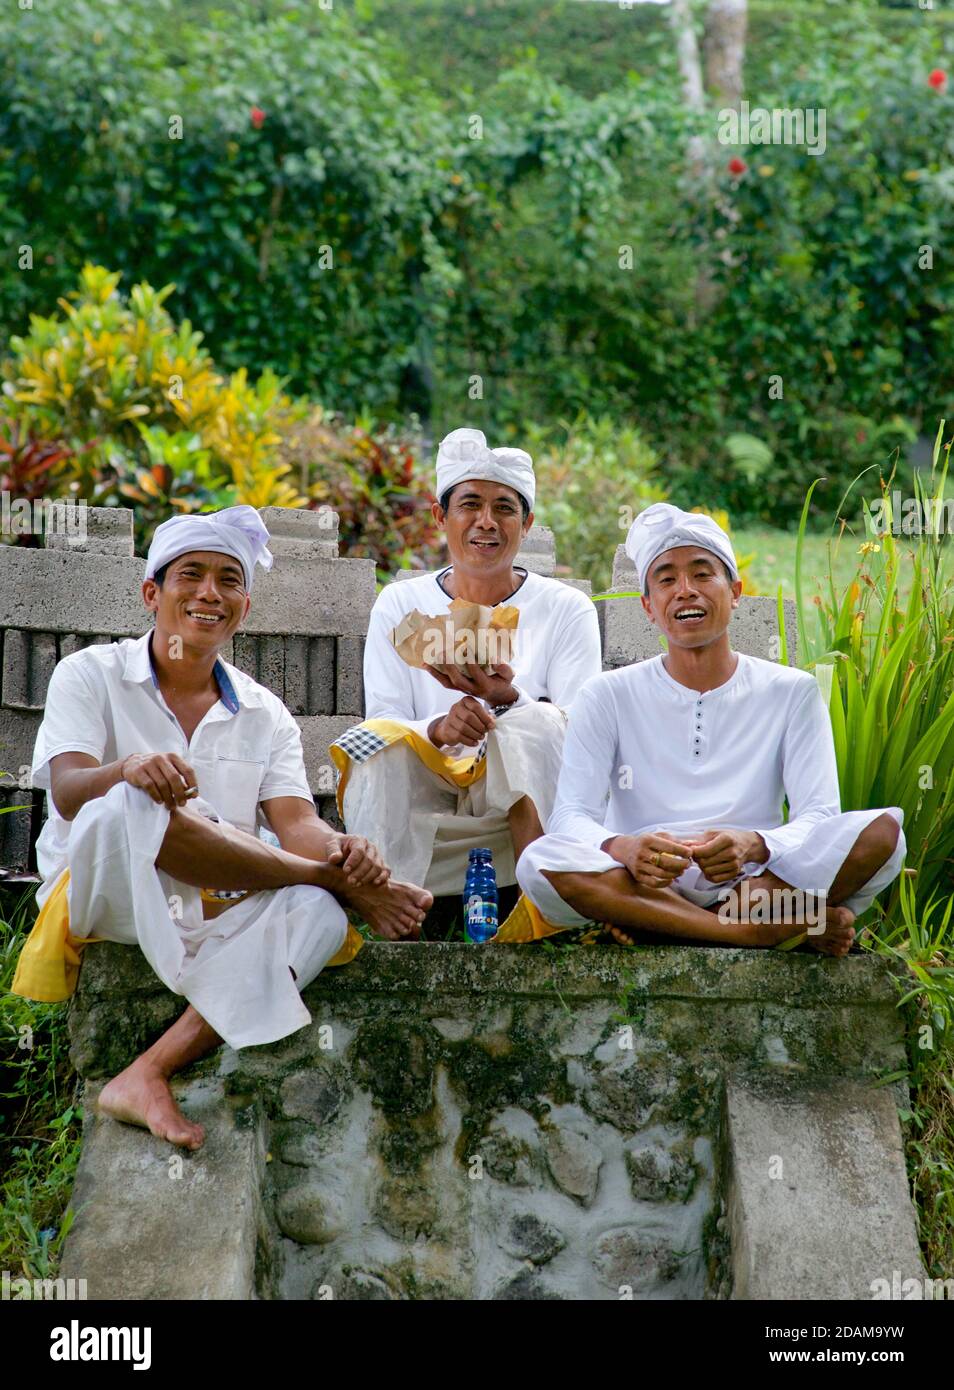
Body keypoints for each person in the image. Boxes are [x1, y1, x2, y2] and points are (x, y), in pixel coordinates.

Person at [12, 505, 432, 1149]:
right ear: (152, 593)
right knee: (135, 800)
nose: (210, 593)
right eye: (192, 575)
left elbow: (298, 825)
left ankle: (148, 1071)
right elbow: (67, 794)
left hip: (211, 905)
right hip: (110, 894)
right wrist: (129, 767)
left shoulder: (265, 712)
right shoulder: (90, 673)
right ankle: (320, 881)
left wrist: (344, 855)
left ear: (245, 607)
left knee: (320, 911)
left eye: (229, 580)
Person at [515, 503, 905, 954]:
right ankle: (748, 934)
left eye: (702, 575)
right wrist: (624, 848)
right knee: (539, 861)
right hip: (642, 883)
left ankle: (667, 927)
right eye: (666, 579)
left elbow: (819, 816)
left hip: (752, 886)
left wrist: (755, 844)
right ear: (648, 607)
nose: (685, 591)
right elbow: (570, 818)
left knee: (883, 834)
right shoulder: (606, 694)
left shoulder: (791, 691)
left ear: (735, 591)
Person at [333, 427, 602, 914]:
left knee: (536, 720)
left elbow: (580, 728)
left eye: (504, 508)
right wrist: (438, 729)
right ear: (440, 516)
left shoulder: (567, 608)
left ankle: (545, 906)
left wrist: (508, 702)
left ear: (527, 523)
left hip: (517, 814)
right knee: (374, 744)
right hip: (429, 808)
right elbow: (386, 715)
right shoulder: (401, 603)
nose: (486, 523)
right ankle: (388, 900)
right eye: (470, 504)